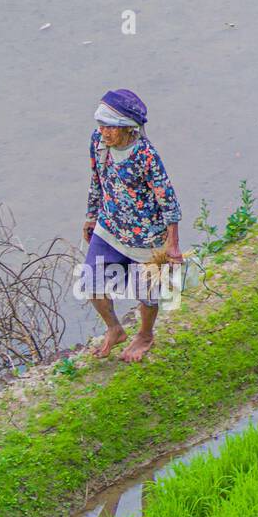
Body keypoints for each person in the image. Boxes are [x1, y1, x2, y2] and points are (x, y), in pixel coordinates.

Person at [81, 89, 182, 362]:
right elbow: (96, 179)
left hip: (146, 236)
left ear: (129, 129)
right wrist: (91, 217)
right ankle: (115, 329)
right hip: (109, 226)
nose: (104, 132)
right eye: (101, 125)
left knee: (147, 293)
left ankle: (145, 335)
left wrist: (172, 245)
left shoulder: (145, 155)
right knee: (90, 282)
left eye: (111, 128)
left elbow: (169, 202)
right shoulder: (98, 142)